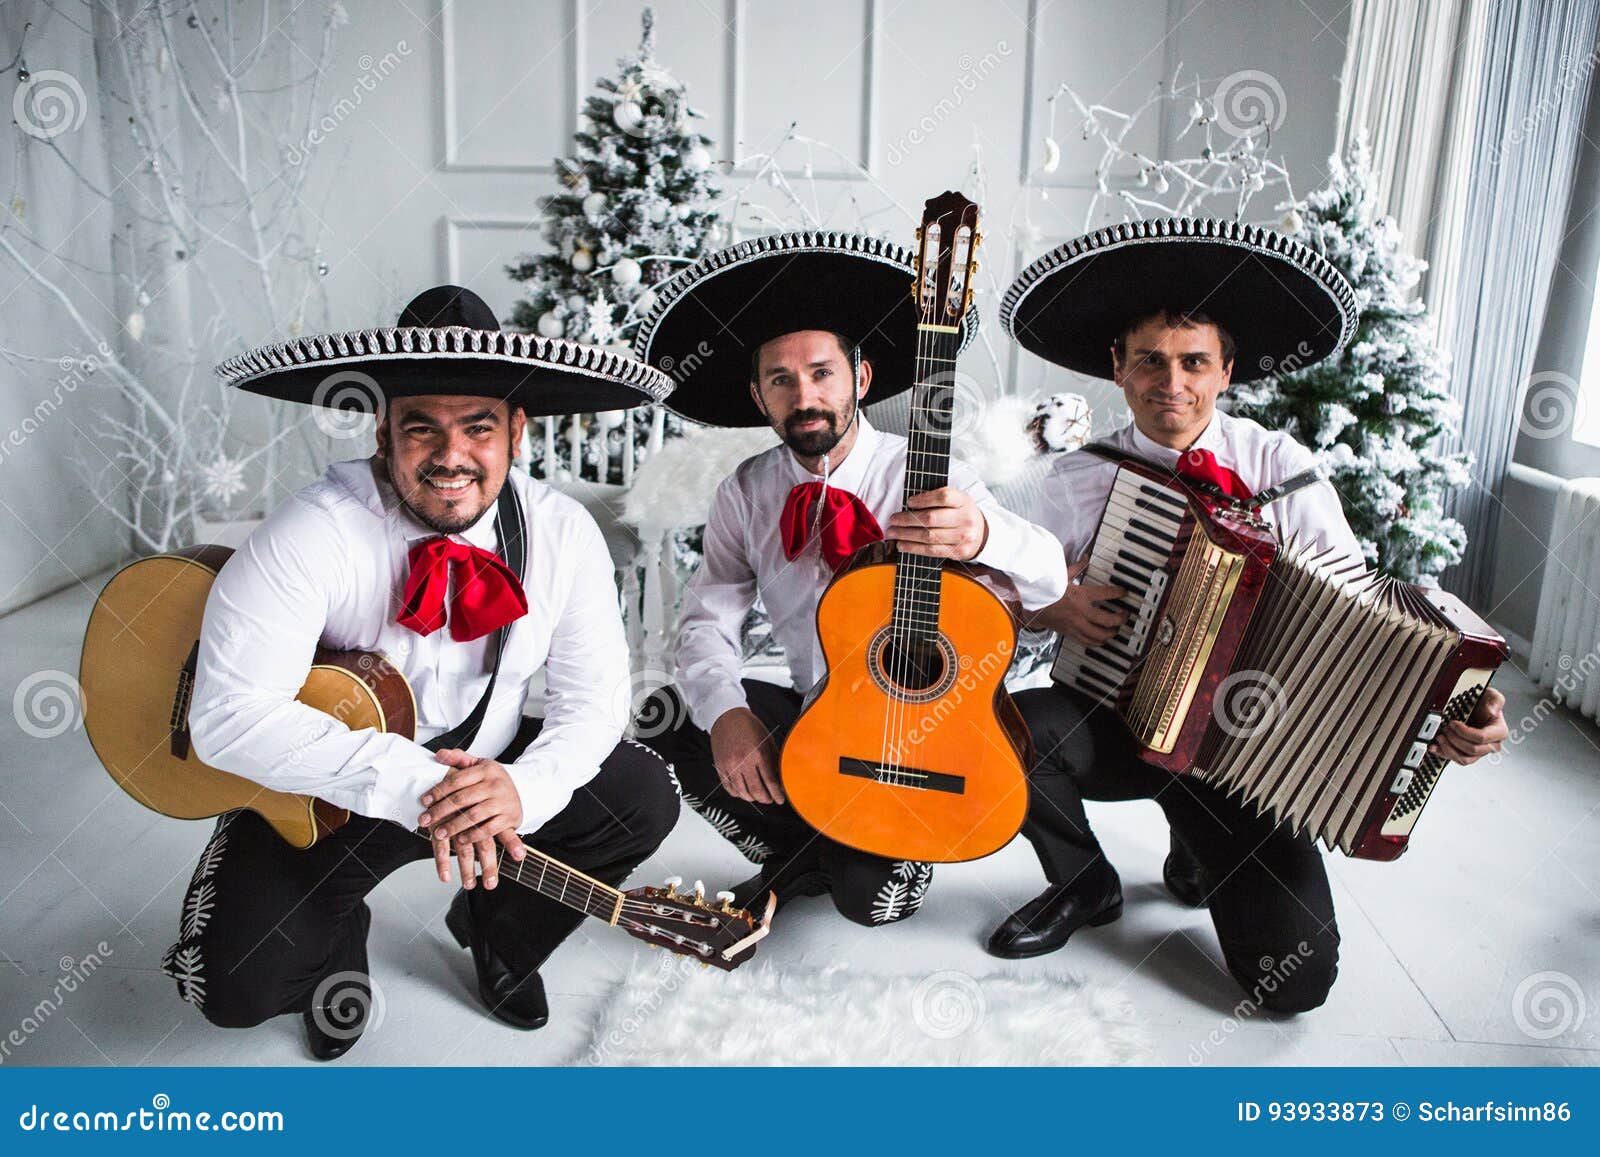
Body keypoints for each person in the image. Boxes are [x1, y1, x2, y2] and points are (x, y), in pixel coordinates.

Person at [991, 218, 1509, 1012]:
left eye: (1195, 361)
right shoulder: (1072, 478)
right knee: (1002, 730)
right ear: (1117, 369)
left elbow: (1363, 619)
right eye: (1151, 361)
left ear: (1226, 370)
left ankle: (1197, 841)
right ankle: (1086, 882)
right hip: (1118, 718)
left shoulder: (1283, 471)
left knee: (1294, 982)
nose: (1173, 382)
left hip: (1244, 754)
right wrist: (1052, 601)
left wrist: (1449, 711)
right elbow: (999, 598)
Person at [161, 286, 680, 1058]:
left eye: (478, 427)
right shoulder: (311, 533)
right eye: (421, 427)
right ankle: (339, 933)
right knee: (234, 985)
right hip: (328, 791)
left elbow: (594, 701)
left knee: (640, 795)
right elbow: (227, 713)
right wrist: (417, 786)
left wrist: (521, 789)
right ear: (382, 430)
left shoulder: (563, 532)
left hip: (489, 771)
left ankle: (495, 928)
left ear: (516, 431)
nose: (451, 456)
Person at [634, 231, 1069, 926]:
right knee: (667, 716)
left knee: (870, 905)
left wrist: (985, 534)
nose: (803, 395)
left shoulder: (930, 471)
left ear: (860, 379)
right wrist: (727, 713)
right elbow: (706, 621)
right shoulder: (745, 492)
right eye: (780, 379)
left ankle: (838, 854)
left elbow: (1048, 581)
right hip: (820, 712)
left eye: (821, 372)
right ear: (758, 395)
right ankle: (804, 846)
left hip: (920, 733)